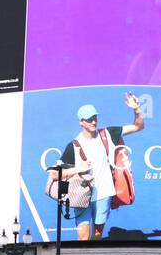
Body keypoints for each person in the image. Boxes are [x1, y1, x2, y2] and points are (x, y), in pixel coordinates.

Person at [57, 93, 146, 241]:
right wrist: (78, 169)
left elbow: (138, 126)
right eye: (89, 119)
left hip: (104, 195)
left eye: (95, 117)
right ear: (81, 122)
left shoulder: (108, 134)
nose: (93, 121)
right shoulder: (73, 145)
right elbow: (56, 174)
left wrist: (137, 109)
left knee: (97, 236)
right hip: (82, 197)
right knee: (83, 238)